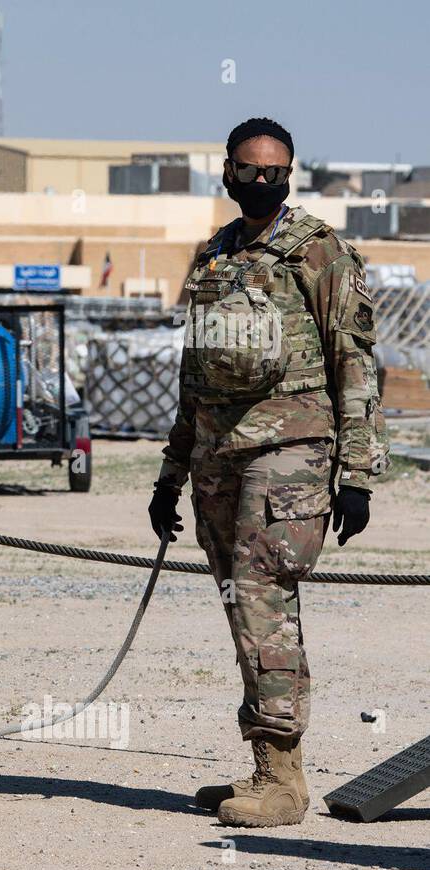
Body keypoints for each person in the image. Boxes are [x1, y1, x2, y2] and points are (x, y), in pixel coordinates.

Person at [149, 116, 389, 827]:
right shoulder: (216, 255)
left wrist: (356, 470)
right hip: (217, 454)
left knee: (261, 595)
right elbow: (195, 374)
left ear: (291, 173)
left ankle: (282, 781)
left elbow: (354, 359)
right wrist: (170, 472)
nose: (261, 181)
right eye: (249, 170)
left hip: (293, 450)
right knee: (239, 602)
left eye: (274, 171)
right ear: (226, 171)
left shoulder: (319, 253)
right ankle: (268, 766)